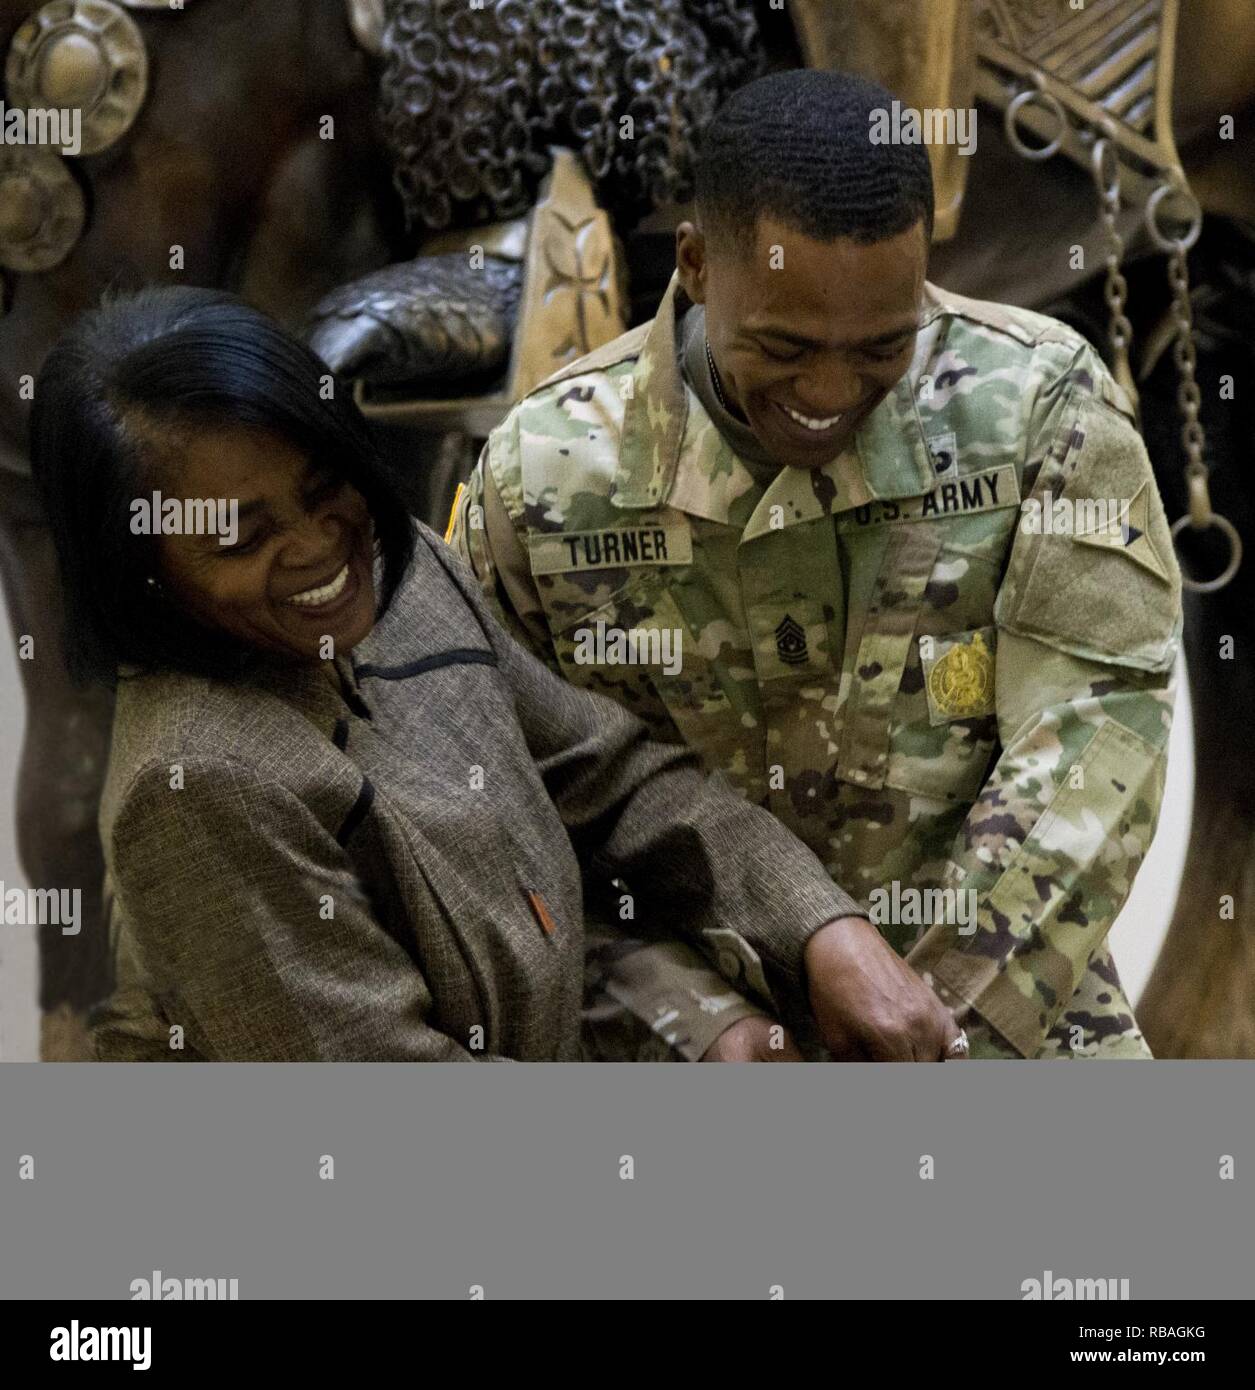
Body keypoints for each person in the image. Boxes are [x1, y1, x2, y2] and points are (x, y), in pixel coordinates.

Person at [449, 69, 1183, 1059]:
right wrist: (700, 1028)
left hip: (1005, 1013)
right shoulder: (539, 480)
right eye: (784, 346)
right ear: (698, 264)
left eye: (882, 346)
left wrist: (939, 1024)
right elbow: (507, 824)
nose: (831, 390)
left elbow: (1096, 737)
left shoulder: (1040, 411)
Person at [28, 285, 963, 1063]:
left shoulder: (404, 571)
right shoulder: (196, 786)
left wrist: (820, 933)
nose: (318, 549)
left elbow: (616, 784)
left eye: (324, 492)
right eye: (241, 537)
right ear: (140, 569)